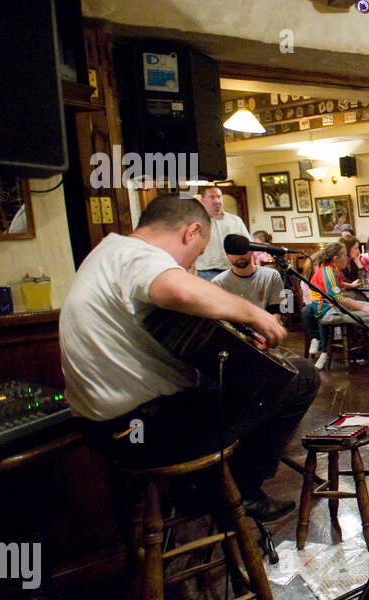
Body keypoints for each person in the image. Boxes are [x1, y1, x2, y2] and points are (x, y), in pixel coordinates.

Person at [60, 194, 318, 521]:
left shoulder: (109, 253)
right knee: (301, 375)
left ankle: (202, 488)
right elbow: (180, 290)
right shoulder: (135, 255)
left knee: (232, 380)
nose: (188, 266)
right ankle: (240, 491)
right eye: (195, 253)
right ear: (190, 232)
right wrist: (255, 314)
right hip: (144, 430)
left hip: (109, 430)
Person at [308, 240, 369, 370]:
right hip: (329, 311)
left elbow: (336, 286)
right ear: (335, 258)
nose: (347, 257)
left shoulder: (331, 268)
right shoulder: (328, 272)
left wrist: (350, 286)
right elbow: (340, 299)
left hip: (336, 306)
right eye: (345, 255)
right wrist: (362, 307)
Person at [213, 239, 285, 314]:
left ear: (252, 251)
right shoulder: (219, 283)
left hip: (268, 323)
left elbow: (277, 311)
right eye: (234, 251)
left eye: (243, 250)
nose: (239, 255)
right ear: (227, 254)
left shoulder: (272, 276)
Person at [193, 186, 249, 280]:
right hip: (207, 274)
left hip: (234, 271)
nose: (217, 201)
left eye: (219, 197)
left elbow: (247, 245)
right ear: (203, 201)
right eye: (212, 197)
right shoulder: (195, 223)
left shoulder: (235, 220)